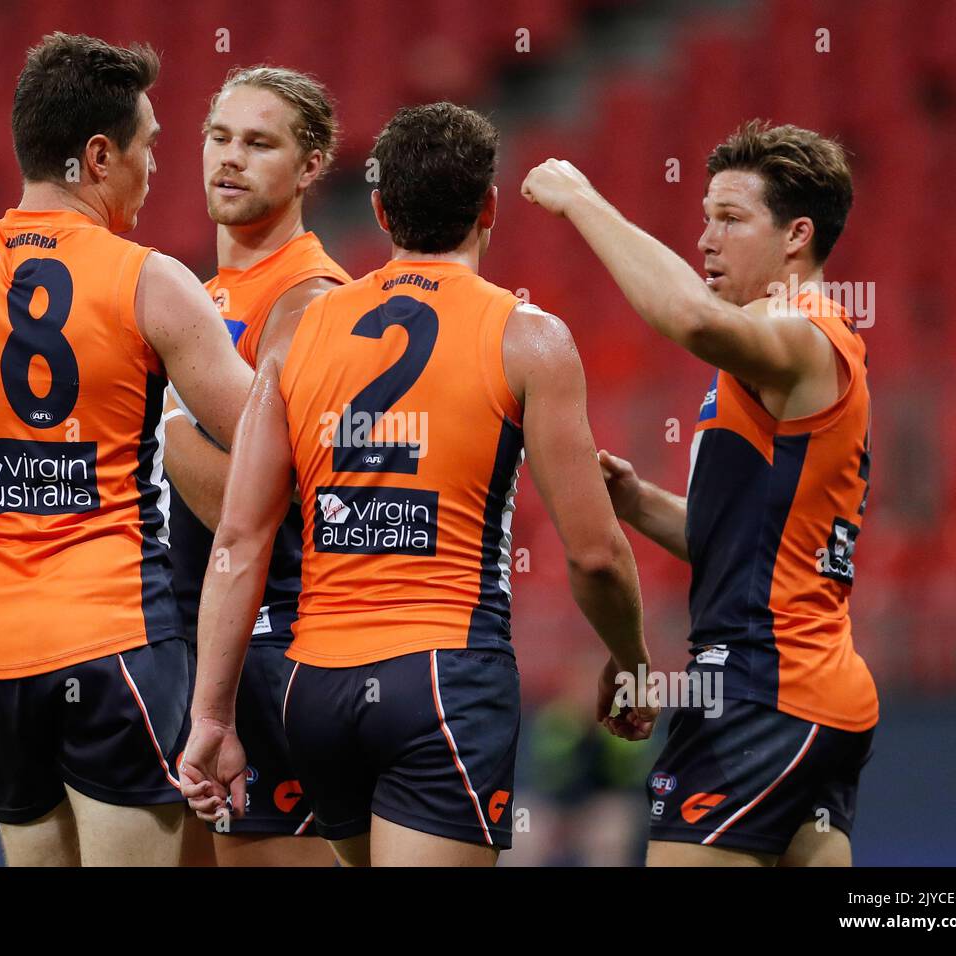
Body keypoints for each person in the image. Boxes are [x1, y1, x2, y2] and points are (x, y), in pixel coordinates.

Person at [181, 102, 655, 867]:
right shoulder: (529, 338)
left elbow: (239, 540)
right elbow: (596, 554)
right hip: (444, 678)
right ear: (489, 207)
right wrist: (631, 661)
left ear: (378, 209)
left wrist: (212, 714)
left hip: (315, 688)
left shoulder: (300, 331)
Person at [0, 32, 252, 867]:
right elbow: (269, 448)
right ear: (98, 156)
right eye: (148, 148)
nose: (155, 169)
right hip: (119, 645)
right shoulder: (150, 281)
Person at [521, 120, 877, 866]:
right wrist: (642, 500)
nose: (706, 240)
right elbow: (756, 545)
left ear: (796, 236)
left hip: (760, 691)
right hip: (816, 695)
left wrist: (582, 199)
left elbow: (687, 319)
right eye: (704, 219)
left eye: (731, 220)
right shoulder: (781, 358)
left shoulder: (803, 331)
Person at [163, 66, 350, 867]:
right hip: (197, 656)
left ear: (309, 168)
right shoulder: (204, 297)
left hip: (272, 654)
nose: (229, 158)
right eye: (219, 137)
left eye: (259, 143)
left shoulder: (307, 299)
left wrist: (164, 434)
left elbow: (274, 511)